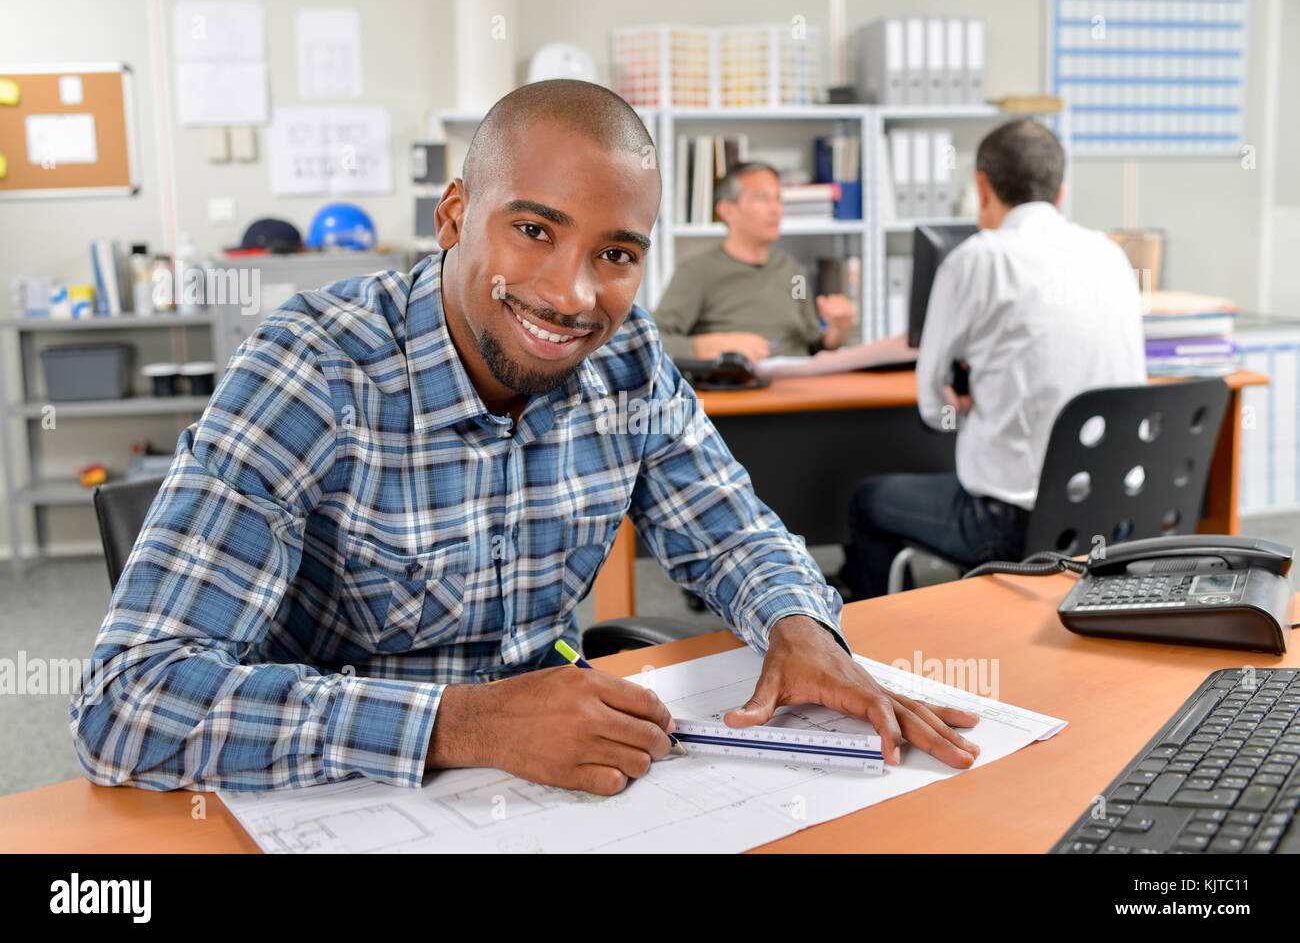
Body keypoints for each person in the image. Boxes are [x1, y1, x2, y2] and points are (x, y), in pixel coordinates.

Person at [71, 80, 979, 796]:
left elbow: (732, 530)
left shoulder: (627, 363)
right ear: (456, 215)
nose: (572, 293)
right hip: (343, 799)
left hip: (563, 798)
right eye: (535, 229)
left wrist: (801, 628)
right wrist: (466, 724)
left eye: (615, 254)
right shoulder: (312, 371)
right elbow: (128, 701)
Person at [840, 119, 1146, 600]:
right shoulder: (1110, 254)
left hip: (1011, 525)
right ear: (1060, 191)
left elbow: (930, 410)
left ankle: (867, 653)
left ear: (982, 187)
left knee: (866, 500)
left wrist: (956, 403)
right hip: (1119, 516)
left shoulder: (976, 258)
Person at [652, 162, 857, 364]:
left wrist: (837, 330)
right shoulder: (696, 271)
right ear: (727, 211)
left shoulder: (792, 270)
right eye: (761, 198)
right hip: (742, 389)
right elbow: (653, 342)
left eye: (778, 198)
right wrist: (708, 346)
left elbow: (813, 344)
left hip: (802, 386)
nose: (776, 209)